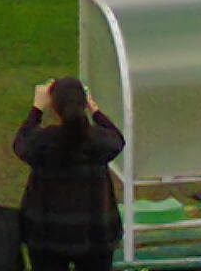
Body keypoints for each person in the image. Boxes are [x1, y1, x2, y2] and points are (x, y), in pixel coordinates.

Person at [13, 77, 124, 271]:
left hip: (46, 234)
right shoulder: (99, 141)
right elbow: (117, 139)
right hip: (95, 233)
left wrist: (36, 109)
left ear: (54, 107)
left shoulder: (43, 141)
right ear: (84, 104)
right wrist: (95, 110)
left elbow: (21, 143)